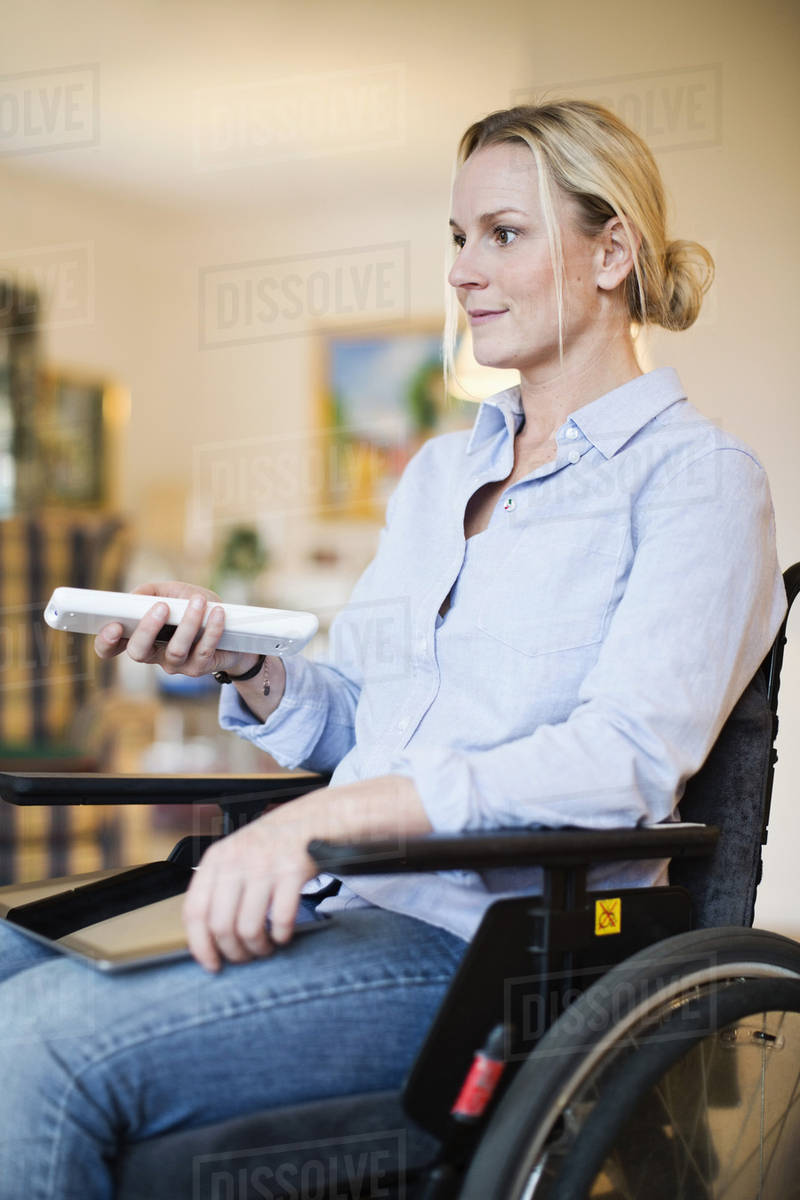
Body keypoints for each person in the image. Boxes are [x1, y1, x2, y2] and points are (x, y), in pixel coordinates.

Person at [0, 100, 786, 1198]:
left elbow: (623, 761)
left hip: (487, 949)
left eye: (502, 234)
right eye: (458, 237)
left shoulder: (699, 483)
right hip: (345, 897)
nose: (463, 270)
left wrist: (333, 817)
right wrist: (238, 661)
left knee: (36, 1049)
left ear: (612, 252)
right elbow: (359, 719)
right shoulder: (438, 476)